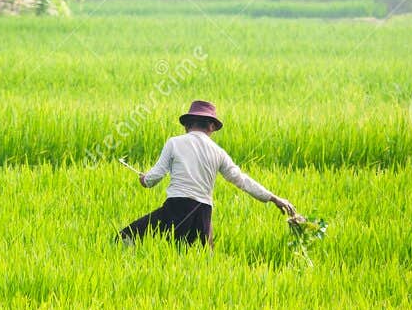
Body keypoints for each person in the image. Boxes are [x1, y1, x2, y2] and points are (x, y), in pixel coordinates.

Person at [118, 99, 299, 248]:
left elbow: (154, 177)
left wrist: (145, 179)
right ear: (212, 126)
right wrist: (274, 198)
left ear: (187, 124)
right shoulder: (218, 152)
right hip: (203, 214)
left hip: (176, 208)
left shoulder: (174, 142)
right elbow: (242, 180)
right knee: (200, 260)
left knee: (125, 238)